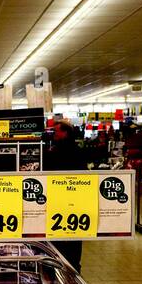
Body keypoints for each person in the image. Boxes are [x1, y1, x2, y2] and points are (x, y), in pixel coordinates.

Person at [45, 117, 87, 273]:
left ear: (65, 133)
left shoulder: (59, 152)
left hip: (62, 201)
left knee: (63, 239)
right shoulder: (76, 151)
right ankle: (72, 269)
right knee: (72, 238)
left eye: (56, 131)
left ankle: (61, 269)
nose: (53, 134)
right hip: (70, 203)